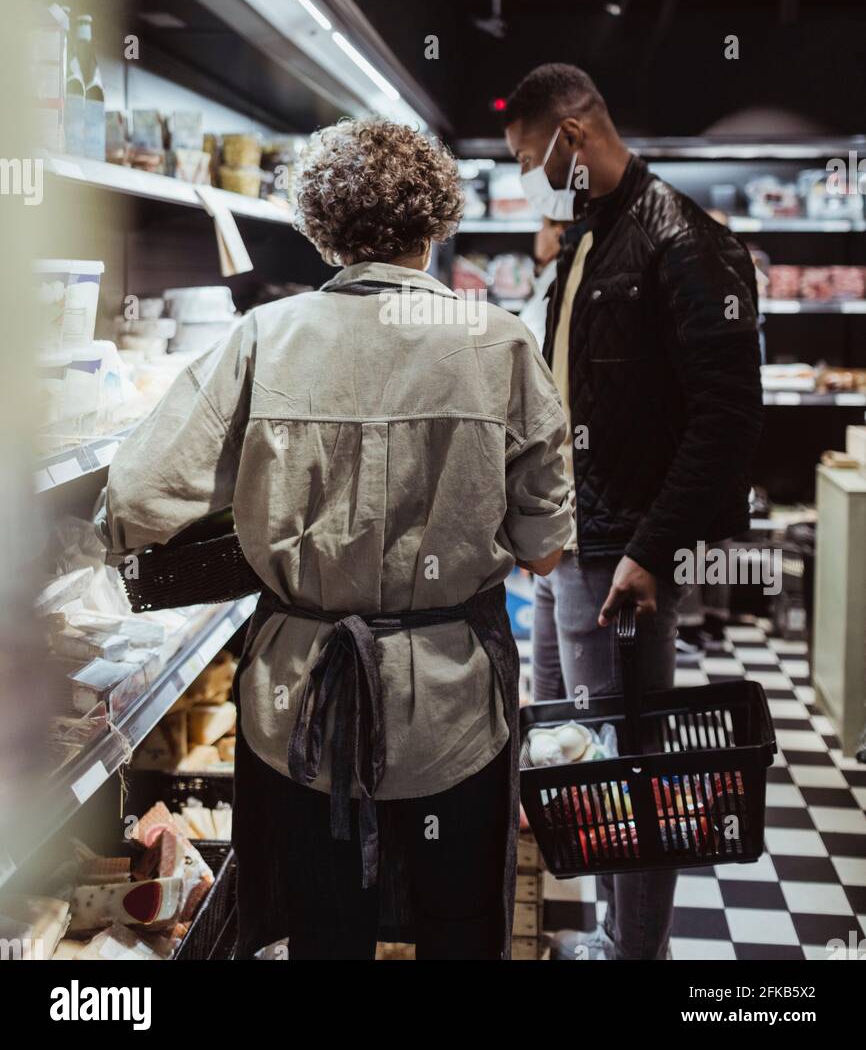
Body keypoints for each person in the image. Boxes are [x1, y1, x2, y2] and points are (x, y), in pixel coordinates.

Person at [98, 117, 572, 961]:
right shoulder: (498, 342)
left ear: (321, 230)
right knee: (459, 930)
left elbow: (136, 500)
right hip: (454, 704)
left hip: (298, 707)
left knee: (325, 936)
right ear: (432, 227)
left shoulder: (260, 338)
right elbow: (544, 547)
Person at [504, 64, 764, 961]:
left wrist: (654, 550)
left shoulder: (682, 240)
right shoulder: (587, 235)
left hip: (620, 556)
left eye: (531, 156)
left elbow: (728, 417)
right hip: (569, 544)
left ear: (573, 137)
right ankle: (615, 936)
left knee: (632, 768)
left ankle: (634, 955)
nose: (527, 175)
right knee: (581, 756)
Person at [519, 215, 566, 350]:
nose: (538, 234)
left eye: (542, 226)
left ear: (558, 233)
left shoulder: (554, 279)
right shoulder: (550, 276)